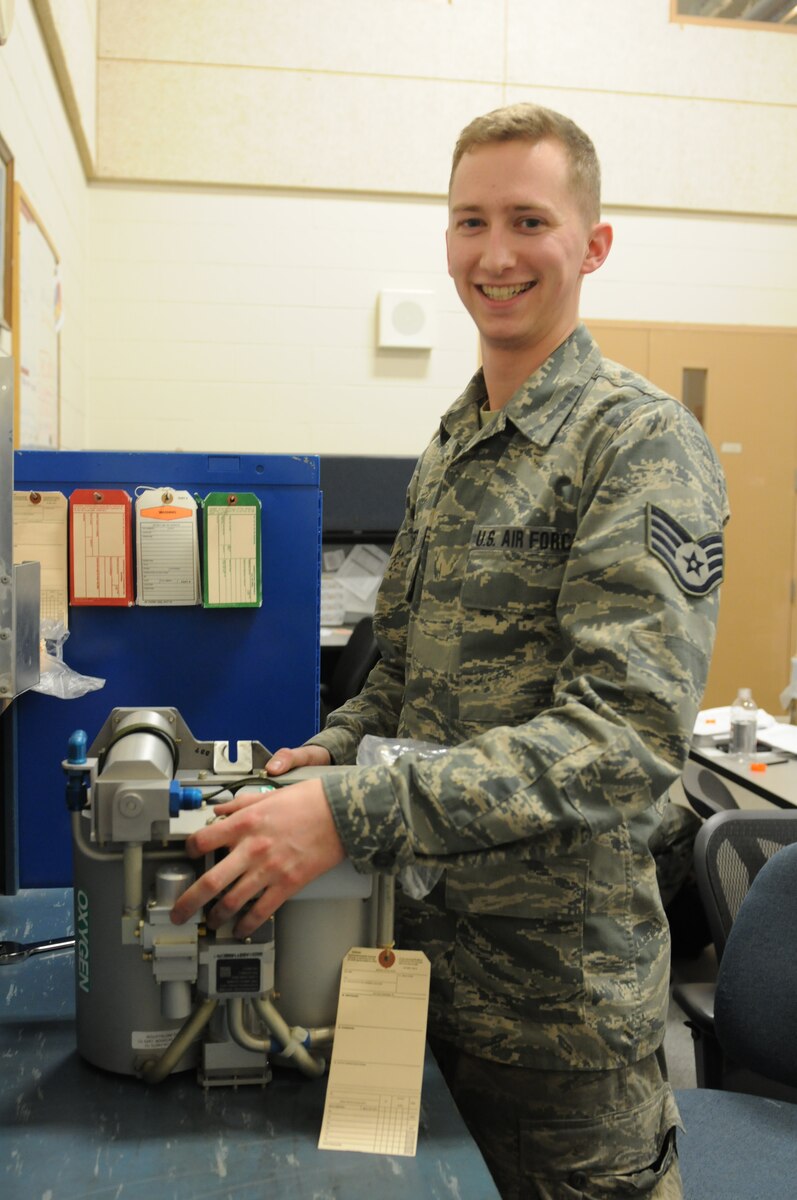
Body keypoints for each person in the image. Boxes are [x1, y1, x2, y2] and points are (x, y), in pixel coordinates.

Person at [172, 103, 729, 1199]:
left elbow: (620, 741)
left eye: (529, 219)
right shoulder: (452, 444)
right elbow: (397, 681)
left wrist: (347, 814)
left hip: (553, 1023)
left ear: (592, 244)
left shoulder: (638, 442)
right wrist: (320, 759)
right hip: (401, 970)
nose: (495, 253)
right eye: (469, 221)